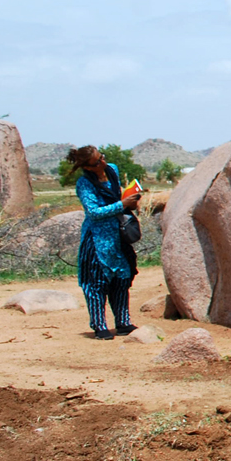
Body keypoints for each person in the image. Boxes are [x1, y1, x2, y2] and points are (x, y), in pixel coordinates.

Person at [69, 145, 143, 340]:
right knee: (96, 282)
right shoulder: (84, 183)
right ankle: (99, 325)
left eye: (102, 157)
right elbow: (93, 212)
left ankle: (123, 322)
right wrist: (121, 205)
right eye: (97, 162)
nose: (103, 162)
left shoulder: (112, 170)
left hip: (118, 236)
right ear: (88, 167)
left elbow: (118, 193)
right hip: (97, 239)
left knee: (122, 279)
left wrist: (130, 199)